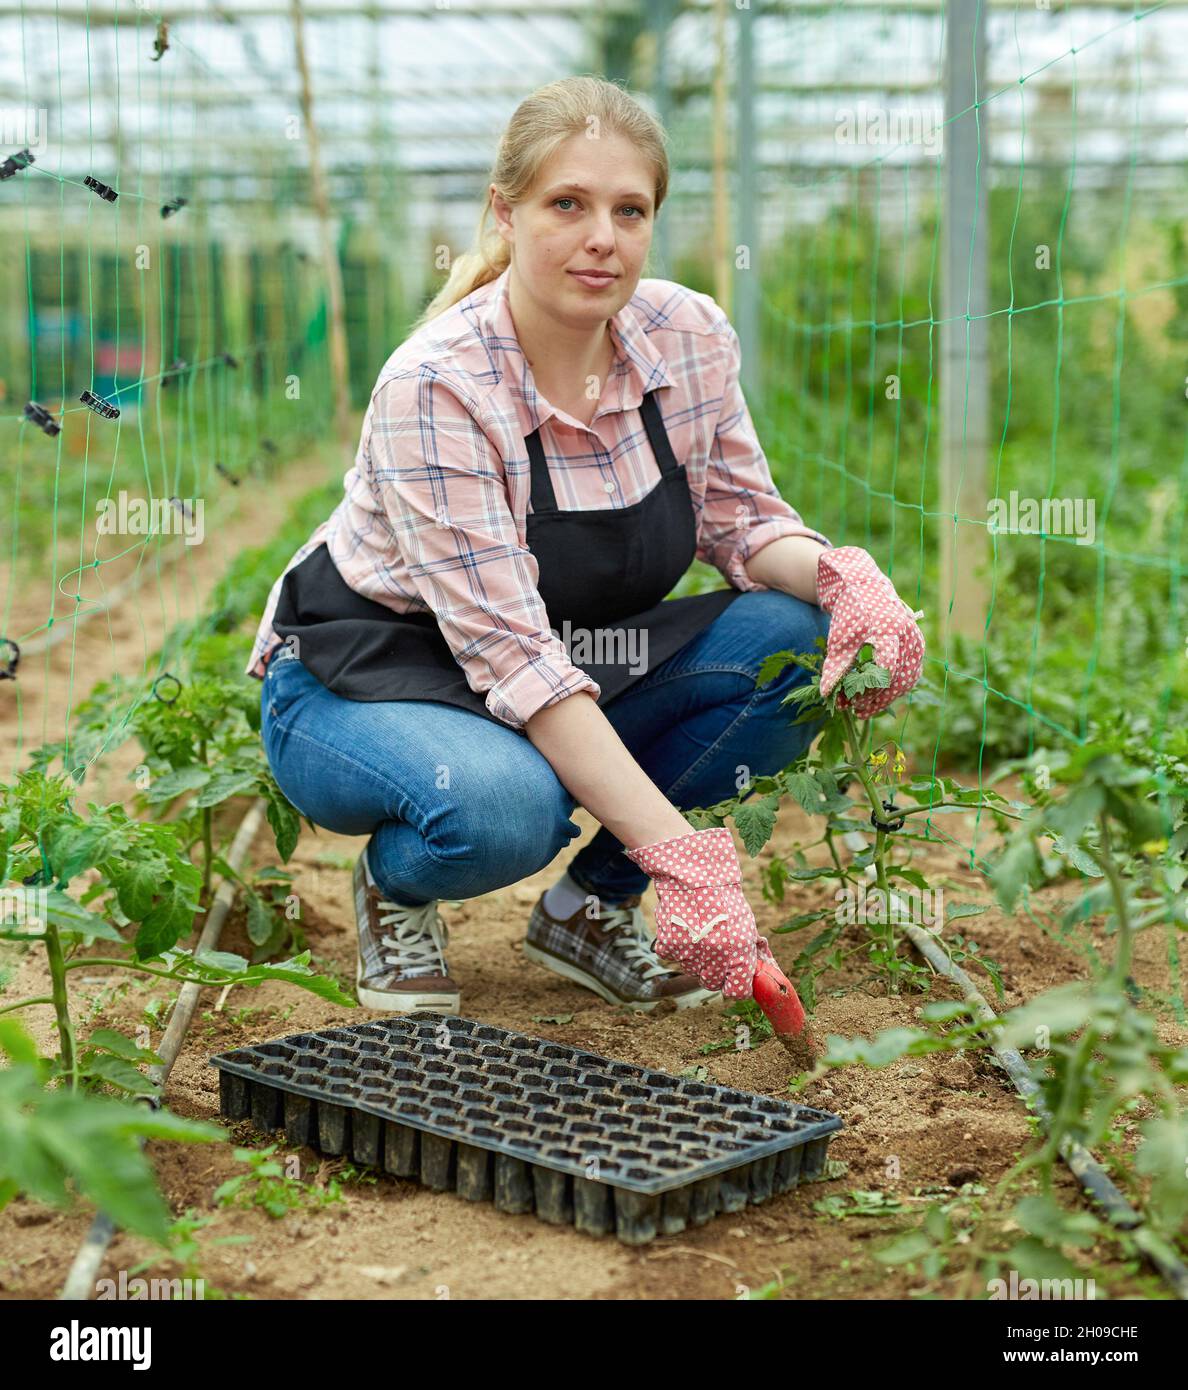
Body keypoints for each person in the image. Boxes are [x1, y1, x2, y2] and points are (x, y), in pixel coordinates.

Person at [245, 74, 924, 1017]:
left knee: (795, 644)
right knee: (498, 808)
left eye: (629, 209)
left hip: (573, 655)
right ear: (506, 213)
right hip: (365, 674)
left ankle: (591, 908)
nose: (602, 236)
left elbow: (741, 520)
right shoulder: (439, 387)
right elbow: (515, 661)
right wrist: (686, 859)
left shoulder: (685, 337)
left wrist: (847, 578)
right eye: (568, 203)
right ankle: (397, 889)